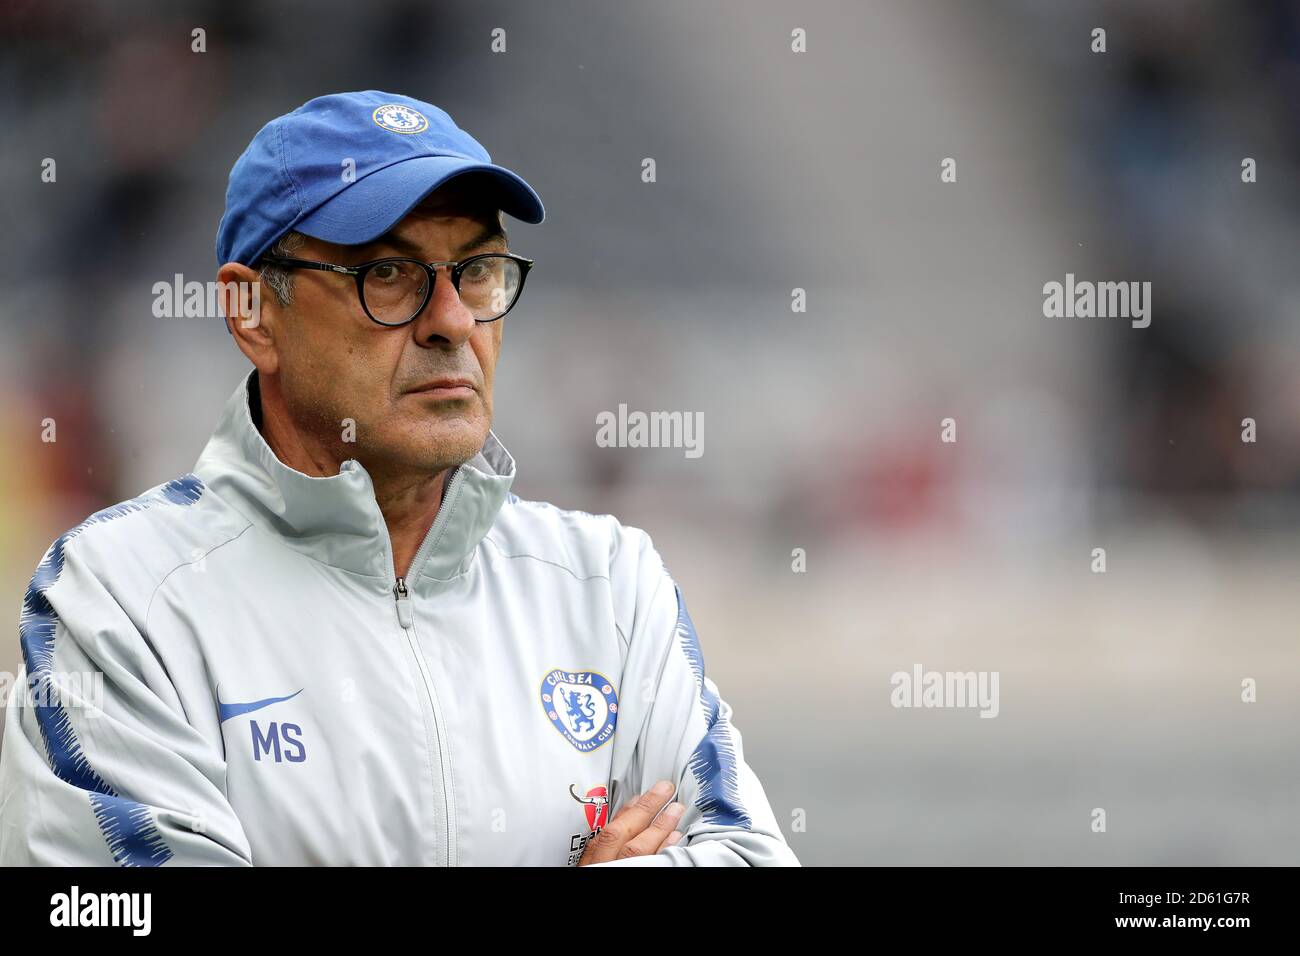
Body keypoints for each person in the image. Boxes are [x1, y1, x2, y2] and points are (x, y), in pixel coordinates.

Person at [0, 91, 799, 867]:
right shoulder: (119, 600)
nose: (452, 320)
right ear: (251, 312)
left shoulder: (609, 583)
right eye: (387, 273)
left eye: (478, 269)